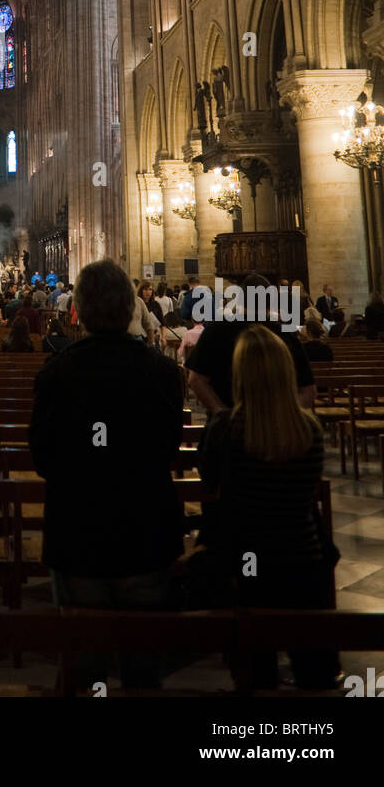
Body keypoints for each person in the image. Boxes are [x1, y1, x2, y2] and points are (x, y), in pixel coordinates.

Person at [29, 261, 184, 689]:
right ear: (131, 308)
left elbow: (42, 458)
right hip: (147, 532)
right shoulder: (164, 372)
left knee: (81, 665)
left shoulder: (57, 372)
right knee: (145, 669)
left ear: (78, 308)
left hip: (77, 534)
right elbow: (170, 449)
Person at [196, 325, 340, 690]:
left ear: (239, 374)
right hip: (303, 562)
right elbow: (304, 492)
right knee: (316, 674)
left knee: (255, 676)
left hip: (247, 563)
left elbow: (211, 483)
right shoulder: (308, 429)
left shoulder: (225, 429)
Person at [186, 272, 315, 412]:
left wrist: (221, 413)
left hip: (229, 424)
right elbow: (308, 390)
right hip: (276, 426)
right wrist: (284, 417)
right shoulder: (285, 334)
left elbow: (196, 380)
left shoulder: (217, 329)